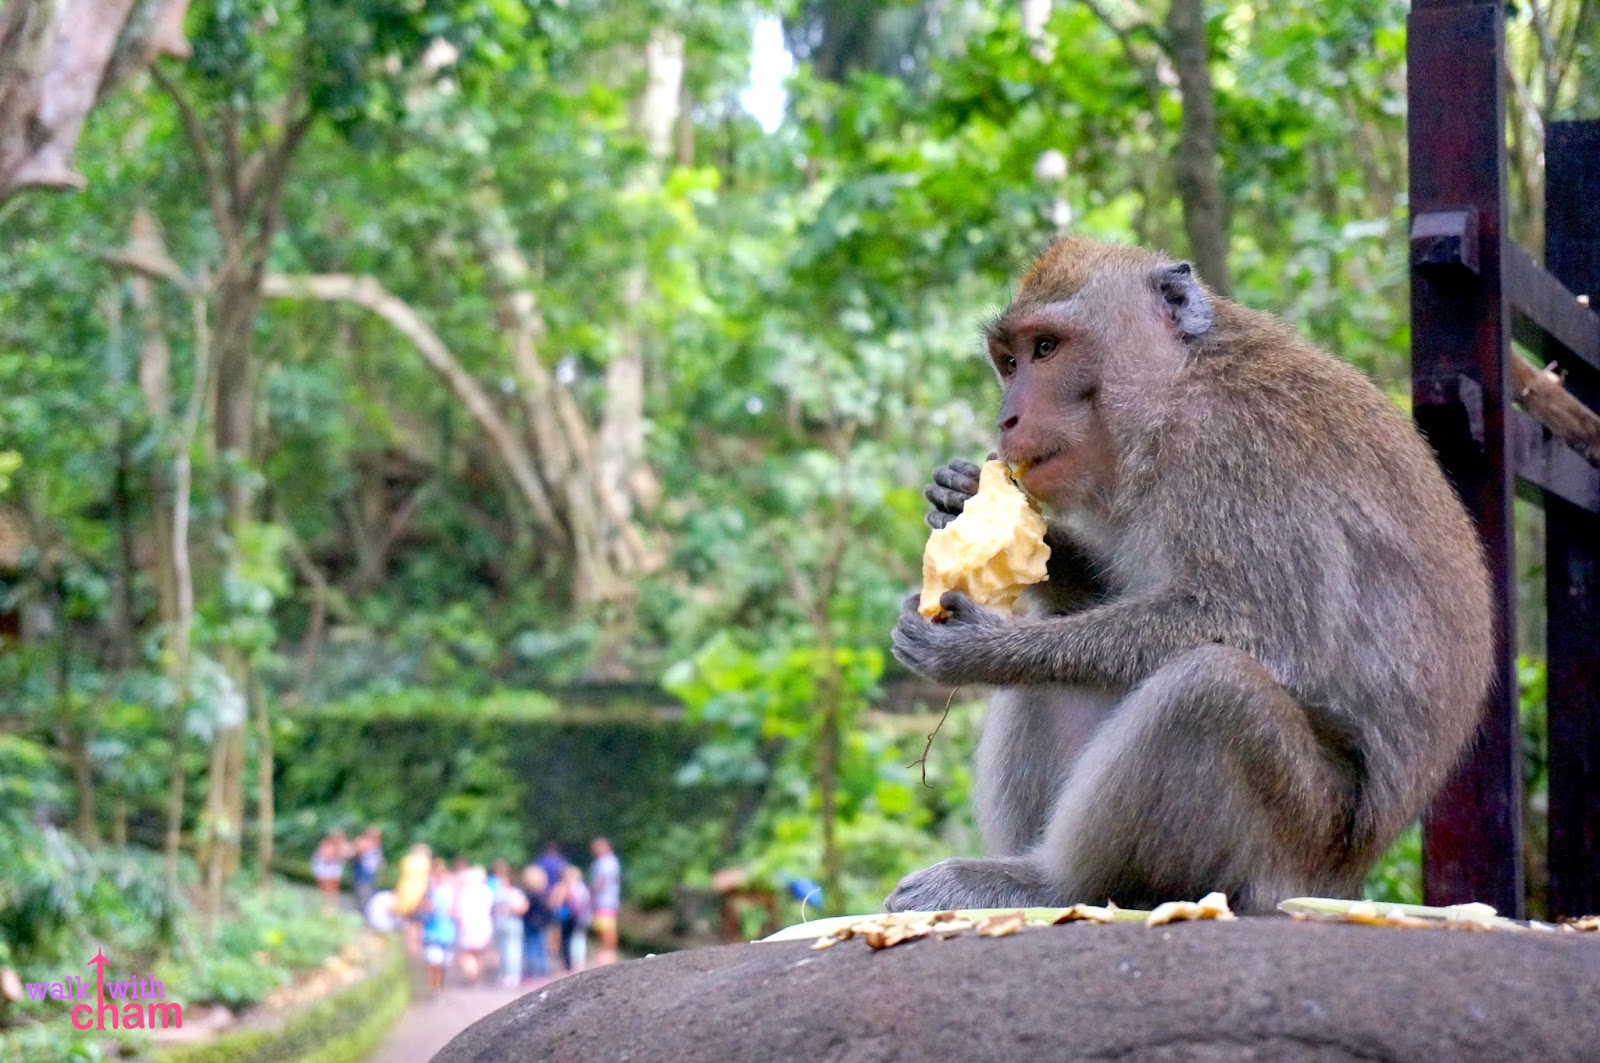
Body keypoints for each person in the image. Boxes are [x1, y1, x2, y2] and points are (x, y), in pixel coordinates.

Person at [452, 865, 496, 986]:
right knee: (477, 952)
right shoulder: (487, 891)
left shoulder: (464, 891)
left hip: (468, 924)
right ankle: (475, 973)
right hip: (484, 924)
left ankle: (471, 973)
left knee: (467, 953)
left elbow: (457, 911)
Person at [489, 859, 529, 989]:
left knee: (504, 950)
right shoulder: (515, 892)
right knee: (512, 950)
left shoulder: (494, 890)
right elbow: (524, 907)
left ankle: (506, 976)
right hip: (512, 922)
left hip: (502, 922)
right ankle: (512, 976)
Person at [421, 858, 458, 996]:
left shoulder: (449, 889)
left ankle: (438, 985)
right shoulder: (427, 888)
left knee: (444, 962)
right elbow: (423, 906)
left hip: (447, 931)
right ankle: (434, 987)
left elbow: (454, 909)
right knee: (434, 960)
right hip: (432, 930)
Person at [548, 864, 591, 973]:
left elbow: (556, 901)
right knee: (579, 940)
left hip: (569, 917)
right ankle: (579, 963)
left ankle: (568, 965)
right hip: (583, 917)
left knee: (567, 941)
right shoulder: (582, 888)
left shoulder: (567, 887)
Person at [393, 843, 432, 956]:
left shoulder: (406, 861)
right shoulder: (426, 863)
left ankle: (410, 950)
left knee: (409, 924)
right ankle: (417, 950)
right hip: (420, 896)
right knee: (419, 924)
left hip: (405, 895)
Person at [588, 838, 622, 965]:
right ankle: (604, 950)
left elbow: (602, 880)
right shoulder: (604, 861)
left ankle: (609, 951)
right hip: (602, 901)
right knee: (602, 926)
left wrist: (593, 892)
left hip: (606, 900)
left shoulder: (607, 862)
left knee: (607, 927)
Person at [519, 864, 552, 983]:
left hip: (529, 924)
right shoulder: (543, 894)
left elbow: (524, 909)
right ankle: (543, 972)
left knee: (529, 949)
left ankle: (530, 973)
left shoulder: (528, 895)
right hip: (541, 924)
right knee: (541, 948)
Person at [311, 828, 349, 911]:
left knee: (334, 890)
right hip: (325, 869)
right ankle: (326, 908)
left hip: (334, 869)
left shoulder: (342, 845)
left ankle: (332, 907)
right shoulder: (326, 845)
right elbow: (328, 857)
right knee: (327, 890)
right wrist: (338, 853)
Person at [351, 827, 384, 912]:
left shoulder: (377, 847)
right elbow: (355, 856)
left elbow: (380, 862)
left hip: (372, 877)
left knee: (370, 899)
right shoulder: (362, 843)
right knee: (363, 898)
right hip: (362, 876)